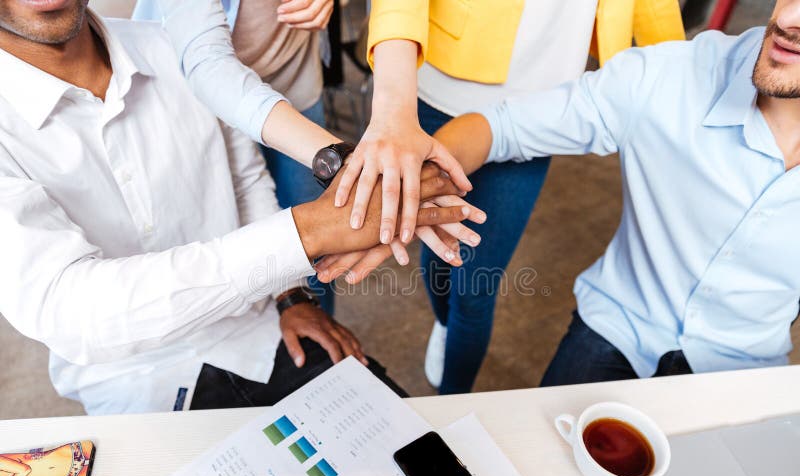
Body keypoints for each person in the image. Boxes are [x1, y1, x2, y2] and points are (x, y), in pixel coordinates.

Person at [0, 0, 481, 414]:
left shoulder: (168, 46)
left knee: (421, 475)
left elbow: (244, 176)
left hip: (259, 334)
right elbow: (72, 309)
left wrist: (290, 295)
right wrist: (309, 231)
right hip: (133, 388)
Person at [411, 0, 800, 385]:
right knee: (459, 278)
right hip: (619, 327)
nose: (785, 18)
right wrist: (407, 192)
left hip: (748, 366)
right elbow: (503, 126)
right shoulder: (673, 75)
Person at [338, 0, 685, 394]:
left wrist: (672, 73)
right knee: (436, 256)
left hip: (542, 99)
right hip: (441, 81)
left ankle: (453, 398)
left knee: (475, 286)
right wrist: (391, 105)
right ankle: (445, 322)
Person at [132, 0, 338, 314]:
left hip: (294, 76)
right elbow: (209, 65)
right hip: (198, 92)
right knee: (229, 241)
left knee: (322, 243)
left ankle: (318, 338)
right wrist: (336, 156)